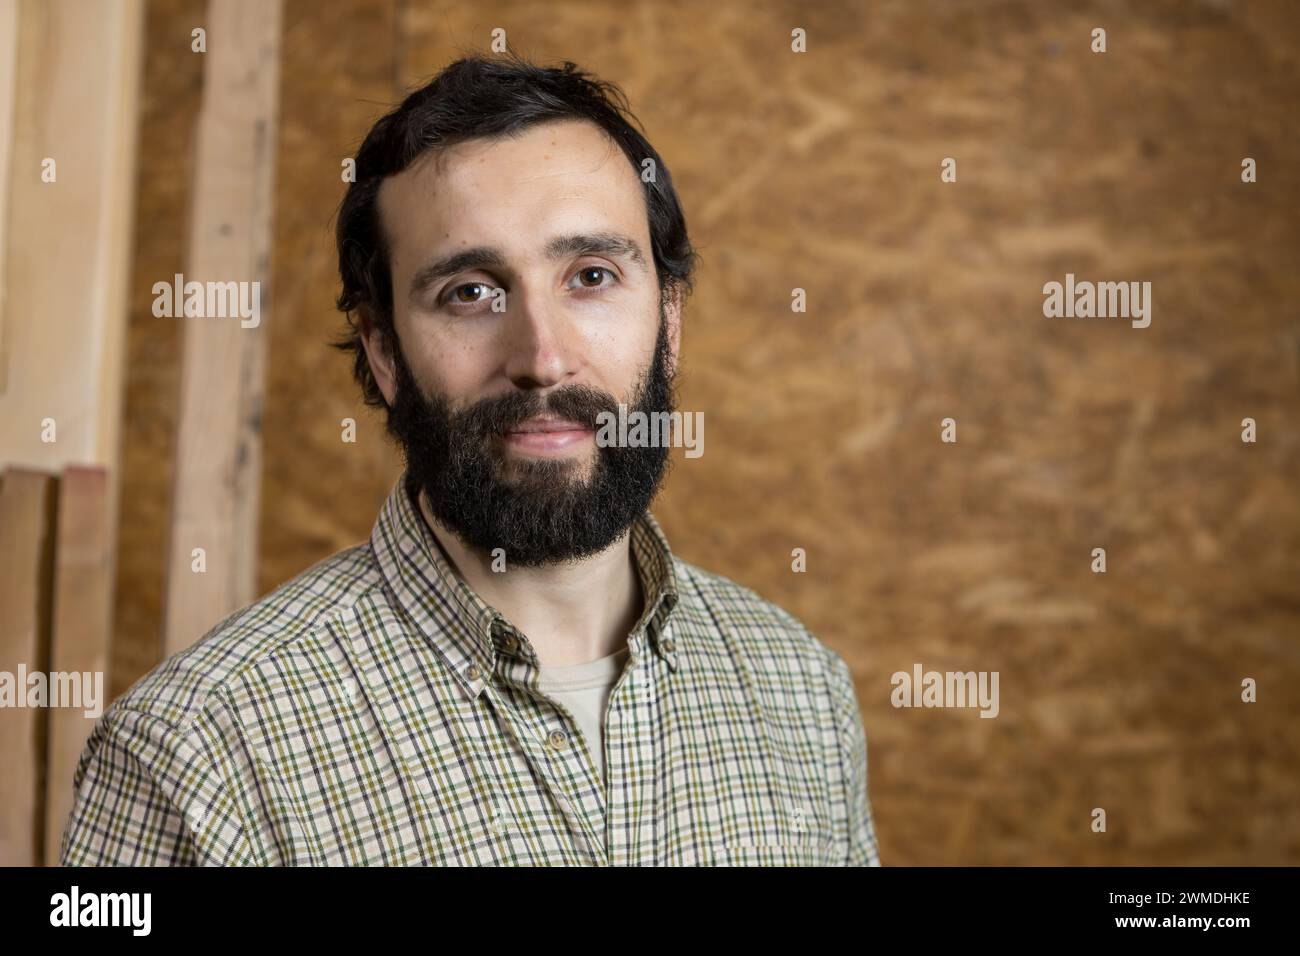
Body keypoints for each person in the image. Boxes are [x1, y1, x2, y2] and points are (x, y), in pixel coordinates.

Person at [61, 52, 880, 866]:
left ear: (668, 323)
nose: (542, 358)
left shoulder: (801, 691)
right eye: (471, 292)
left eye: (590, 276)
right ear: (383, 351)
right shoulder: (193, 751)